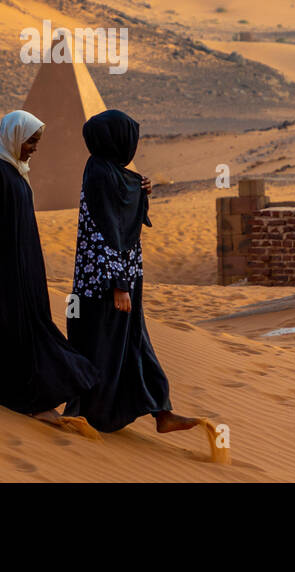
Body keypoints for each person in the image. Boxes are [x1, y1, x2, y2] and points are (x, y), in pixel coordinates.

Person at [0, 110, 99, 432]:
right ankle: (33, 400)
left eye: (36, 141)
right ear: (14, 137)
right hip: (4, 270)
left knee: (30, 327)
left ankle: (13, 391)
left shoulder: (17, 172)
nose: (34, 148)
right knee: (18, 331)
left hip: (27, 268)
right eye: (30, 141)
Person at [64, 109, 200, 434]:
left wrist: (142, 190)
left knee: (136, 343)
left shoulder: (110, 170)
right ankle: (84, 413)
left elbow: (124, 208)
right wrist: (118, 284)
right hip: (102, 283)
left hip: (124, 277)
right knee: (99, 347)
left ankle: (161, 410)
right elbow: (106, 230)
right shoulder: (98, 172)